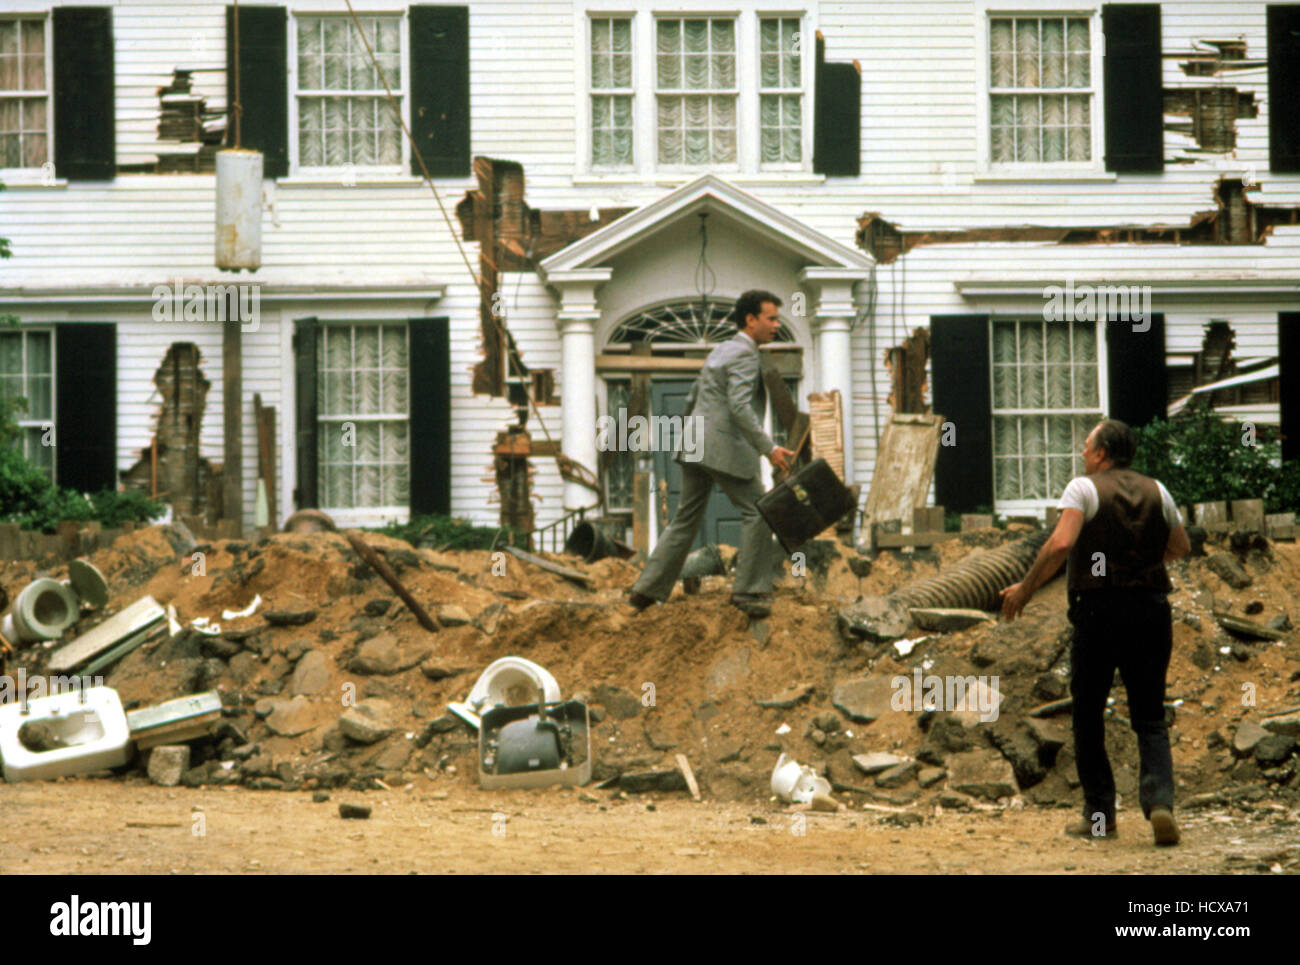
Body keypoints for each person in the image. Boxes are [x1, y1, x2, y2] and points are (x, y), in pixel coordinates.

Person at [999, 418, 1190, 846]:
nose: (1082, 455)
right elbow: (1180, 547)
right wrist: (1137, 560)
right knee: (1150, 715)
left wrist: (1026, 590)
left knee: (1088, 715)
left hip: (1099, 612)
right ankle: (1160, 804)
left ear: (1102, 453)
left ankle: (1100, 818)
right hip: (1151, 611)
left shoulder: (1082, 489)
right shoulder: (1159, 490)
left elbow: (1061, 545)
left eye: (1087, 447)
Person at [625, 290, 796, 619]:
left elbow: (693, 396)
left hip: (696, 443)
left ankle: (644, 592)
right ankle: (748, 591)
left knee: (684, 519)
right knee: (759, 512)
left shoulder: (721, 349)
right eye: (771, 318)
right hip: (722, 446)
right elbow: (740, 407)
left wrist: (690, 435)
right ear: (750, 319)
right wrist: (769, 448)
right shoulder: (745, 355)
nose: (776, 325)